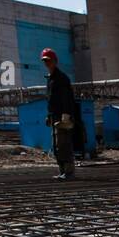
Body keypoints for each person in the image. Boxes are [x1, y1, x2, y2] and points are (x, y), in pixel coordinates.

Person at [42, 48, 77, 180]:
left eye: (48, 61)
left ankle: (69, 172)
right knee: (56, 146)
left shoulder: (61, 79)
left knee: (64, 144)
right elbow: (51, 100)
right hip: (54, 116)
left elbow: (67, 98)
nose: (46, 63)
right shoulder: (50, 79)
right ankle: (62, 171)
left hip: (63, 117)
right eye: (45, 61)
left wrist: (66, 116)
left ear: (55, 61)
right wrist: (48, 115)